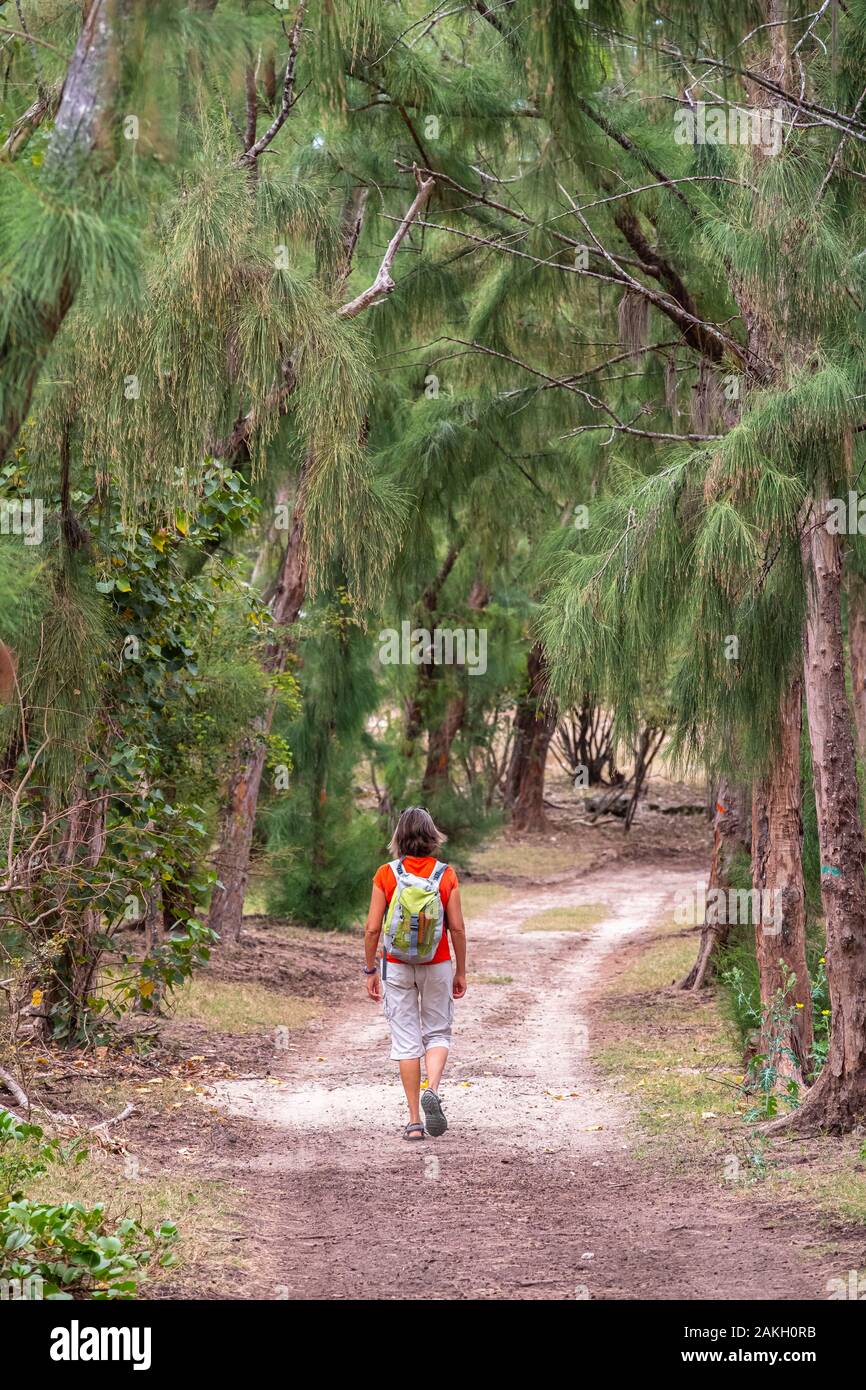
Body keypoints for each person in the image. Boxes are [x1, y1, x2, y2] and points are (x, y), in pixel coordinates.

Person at [364, 806, 467, 1140]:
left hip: (395, 965)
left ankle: (413, 1123)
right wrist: (460, 970)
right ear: (432, 836)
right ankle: (432, 1090)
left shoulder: (386, 874)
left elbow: (371, 929)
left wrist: (370, 970)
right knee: (437, 1032)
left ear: (399, 837)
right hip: (436, 963)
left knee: (406, 1041)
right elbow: (457, 928)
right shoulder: (445, 874)